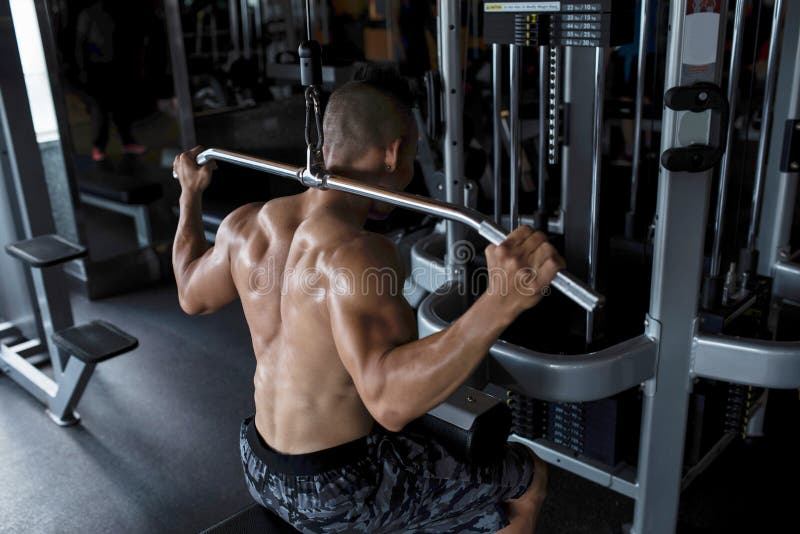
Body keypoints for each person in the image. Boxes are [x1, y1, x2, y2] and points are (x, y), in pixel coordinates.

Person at [172, 68, 562, 533]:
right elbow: (389, 403)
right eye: (413, 157)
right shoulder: (357, 252)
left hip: (257, 464)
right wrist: (500, 303)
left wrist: (189, 196)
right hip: (338, 492)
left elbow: (190, 294)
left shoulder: (243, 226)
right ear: (394, 152)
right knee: (527, 476)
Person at [75, 0, 147, 162]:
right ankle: (99, 147)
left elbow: (128, 40)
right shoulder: (88, 14)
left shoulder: (119, 12)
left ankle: (127, 142)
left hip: (118, 67)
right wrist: (83, 72)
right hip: (97, 70)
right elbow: (80, 45)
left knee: (122, 107)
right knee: (100, 111)